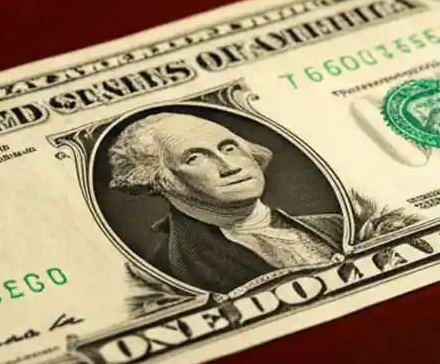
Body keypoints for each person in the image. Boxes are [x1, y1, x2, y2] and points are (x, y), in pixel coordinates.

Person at [107, 112, 343, 293]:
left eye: (229, 148)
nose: (229, 166)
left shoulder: (334, 226)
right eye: (194, 158)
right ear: (159, 180)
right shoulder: (171, 273)